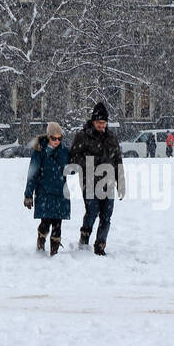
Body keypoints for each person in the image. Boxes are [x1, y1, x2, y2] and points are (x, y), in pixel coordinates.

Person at [67, 101, 125, 255]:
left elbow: (118, 160)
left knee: (106, 216)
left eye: (104, 123)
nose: (102, 126)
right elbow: (73, 158)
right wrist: (88, 162)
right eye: (99, 123)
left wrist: (121, 183)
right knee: (92, 212)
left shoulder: (111, 137)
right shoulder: (82, 136)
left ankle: (100, 245)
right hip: (90, 182)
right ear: (93, 121)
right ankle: (85, 236)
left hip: (109, 182)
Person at [24, 122, 71, 255]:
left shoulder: (64, 151)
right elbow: (32, 174)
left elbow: (71, 170)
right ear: (48, 137)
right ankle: (41, 241)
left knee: (58, 224)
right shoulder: (39, 152)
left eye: (59, 138)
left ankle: (54, 252)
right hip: (44, 193)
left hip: (60, 193)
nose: (57, 141)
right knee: (45, 222)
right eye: (54, 138)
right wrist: (28, 194)